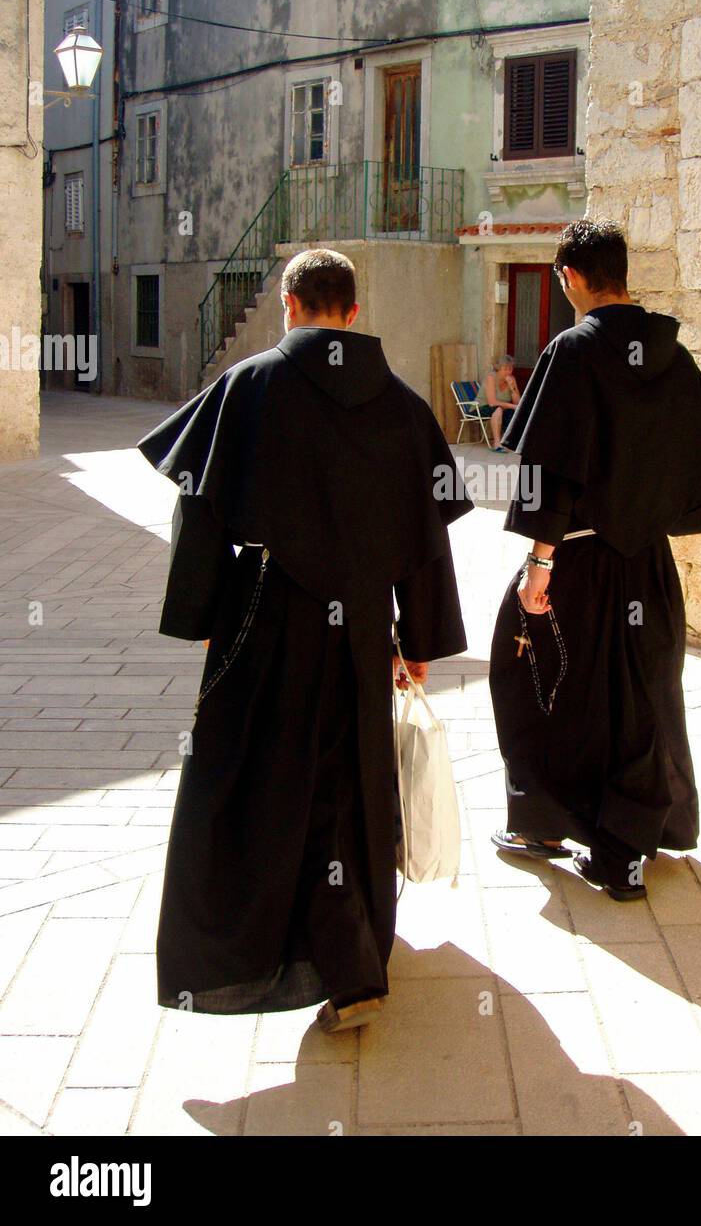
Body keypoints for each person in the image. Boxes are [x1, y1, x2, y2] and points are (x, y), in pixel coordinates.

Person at [138, 248, 472, 1030]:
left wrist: (198, 615)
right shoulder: (401, 406)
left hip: (261, 622)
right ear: (352, 312)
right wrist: (417, 636)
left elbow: (201, 512)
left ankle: (246, 957)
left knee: (251, 782)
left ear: (290, 305)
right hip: (359, 629)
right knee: (349, 787)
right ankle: (354, 968)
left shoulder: (245, 389)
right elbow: (426, 539)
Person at [488, 219, 701, 900]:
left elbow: (551, 471)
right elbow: (692, 458)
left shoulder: (573, 352)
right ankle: (629, 837)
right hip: (647, 565)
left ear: (570, 277)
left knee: (528, 676)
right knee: (641, 693)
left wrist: (539, 566)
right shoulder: (672, 355)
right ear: (623, 274)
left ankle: (548, 827)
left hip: (578, 562)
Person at [474, 355, 520, 451]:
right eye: (505, 369)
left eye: (510, 369)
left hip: (502, 408)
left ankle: (514, 442)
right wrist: (513, 406)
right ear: (499, 368)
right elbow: (492, 403)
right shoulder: (491, 378)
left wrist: (512, 387)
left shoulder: (512, 379)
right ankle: (497, 444)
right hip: (480, 407)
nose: (508, 371)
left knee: (518, 412)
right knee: (498, 409)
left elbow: (518, 402)